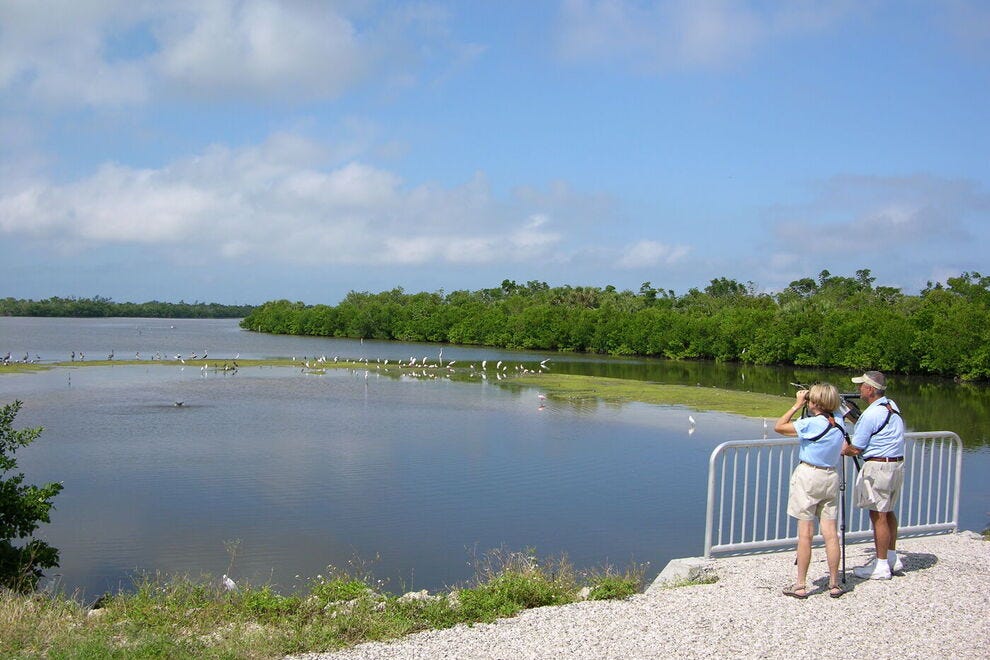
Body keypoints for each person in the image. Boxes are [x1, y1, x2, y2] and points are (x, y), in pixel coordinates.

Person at [775, 383, 848, 598]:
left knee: (805, 534)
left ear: (814, 403)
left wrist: (797, 404)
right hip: (831, 476)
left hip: (808, 476)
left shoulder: (810, 424)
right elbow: (839, 410)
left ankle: (800, 585)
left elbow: (779, 426)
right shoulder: (839, 422)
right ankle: (834, 584)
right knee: (831, 534)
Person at [841, 370, 905, 580]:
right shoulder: (890, 406)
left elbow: (856, 448)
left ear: (870, 389)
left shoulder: (870, 415)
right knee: (888, 511)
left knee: (878, 516)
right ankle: (892, 557)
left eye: (861, 385)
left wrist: (841, 449)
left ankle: (881, 566)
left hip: (878, 468)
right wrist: (853, 416)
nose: (858, 389)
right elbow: (875, 430)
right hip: (895, 465)